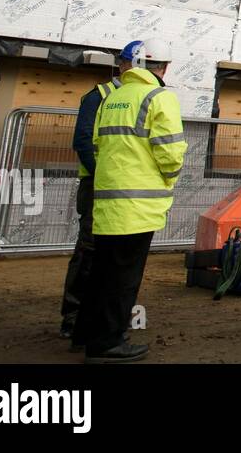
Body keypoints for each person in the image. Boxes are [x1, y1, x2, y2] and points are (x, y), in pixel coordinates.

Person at [73, 39, 185, 363]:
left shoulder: (112, 97)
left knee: (101, 272)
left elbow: (95, 146)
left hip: (107, 202)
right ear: (163, 68)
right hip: (138, 206)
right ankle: (108, 343)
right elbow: (171, 152)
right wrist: (167, 179)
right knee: (124, 278)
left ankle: (85, 335)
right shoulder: (159, 97)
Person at [59, 41, 141, 342]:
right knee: (90, 249)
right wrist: (104, 176)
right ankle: (74, 316)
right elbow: (83, 141)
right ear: (122, 64)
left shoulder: (141, 98)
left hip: (126, 189)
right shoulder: (100, 96)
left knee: (118, 256)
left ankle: (107, 318)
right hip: (98, 186)